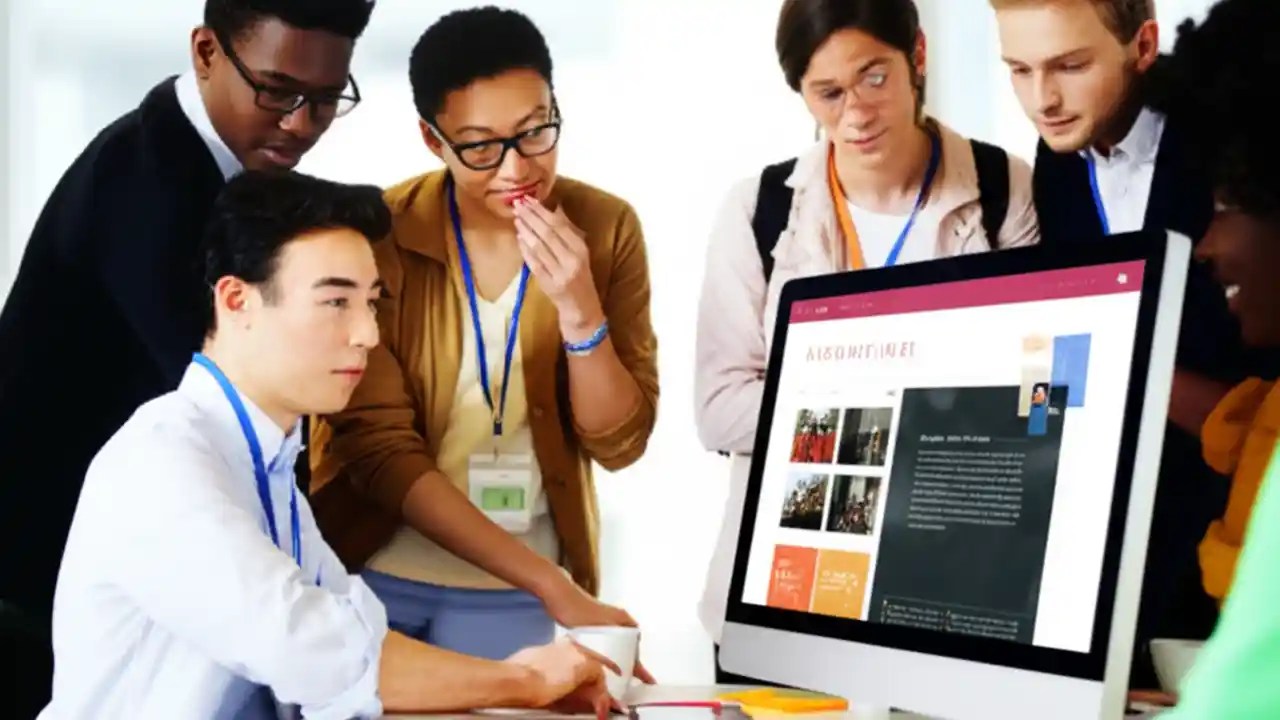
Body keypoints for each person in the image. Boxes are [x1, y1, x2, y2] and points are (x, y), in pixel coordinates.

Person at [41, 169, 617, 720]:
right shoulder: (162, 461)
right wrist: (528, 681)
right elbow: (317, 656)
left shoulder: (268, 462)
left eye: (371, 302)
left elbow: (354, 634)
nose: (368, 334)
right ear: (237, 301)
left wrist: (521, 678)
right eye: (336, 302)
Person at [0, 1, 372, 714]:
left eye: (327, 100)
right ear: (205, 53)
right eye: (277, 92)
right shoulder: (144, 184)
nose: (301, 123)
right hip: (43, 599)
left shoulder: (228, 177)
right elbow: (246, 403)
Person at [694, 0, 1038, 684]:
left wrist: (830, 397)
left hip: (948, 586)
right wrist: (908, 405)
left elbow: (1034, 395)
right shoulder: (760, 208)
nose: (856, 113)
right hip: (791, 585)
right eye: (828, 93)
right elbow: (720, 411)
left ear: (917, 56)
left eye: (874, 77)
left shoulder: (1003, 188)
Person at [310, 6, 660, 663]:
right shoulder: (380, 232)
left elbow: (621, 443)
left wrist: (582, 315)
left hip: (515, 586)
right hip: (375, 564)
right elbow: (379, 452)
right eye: (479, 146)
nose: (515, 168)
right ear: (431, 138)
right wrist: (553, 587)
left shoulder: (606, 227)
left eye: (536, 131)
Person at [989, 0, 1273, 687]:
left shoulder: (1233, 131)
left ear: (1143, 45)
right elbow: (1062, 331)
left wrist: (1117, 359)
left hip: (1241, 536)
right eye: (1020, 70)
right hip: (1116, 549)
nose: (1042, 99)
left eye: (1069, 66)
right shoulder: (1057, 158)